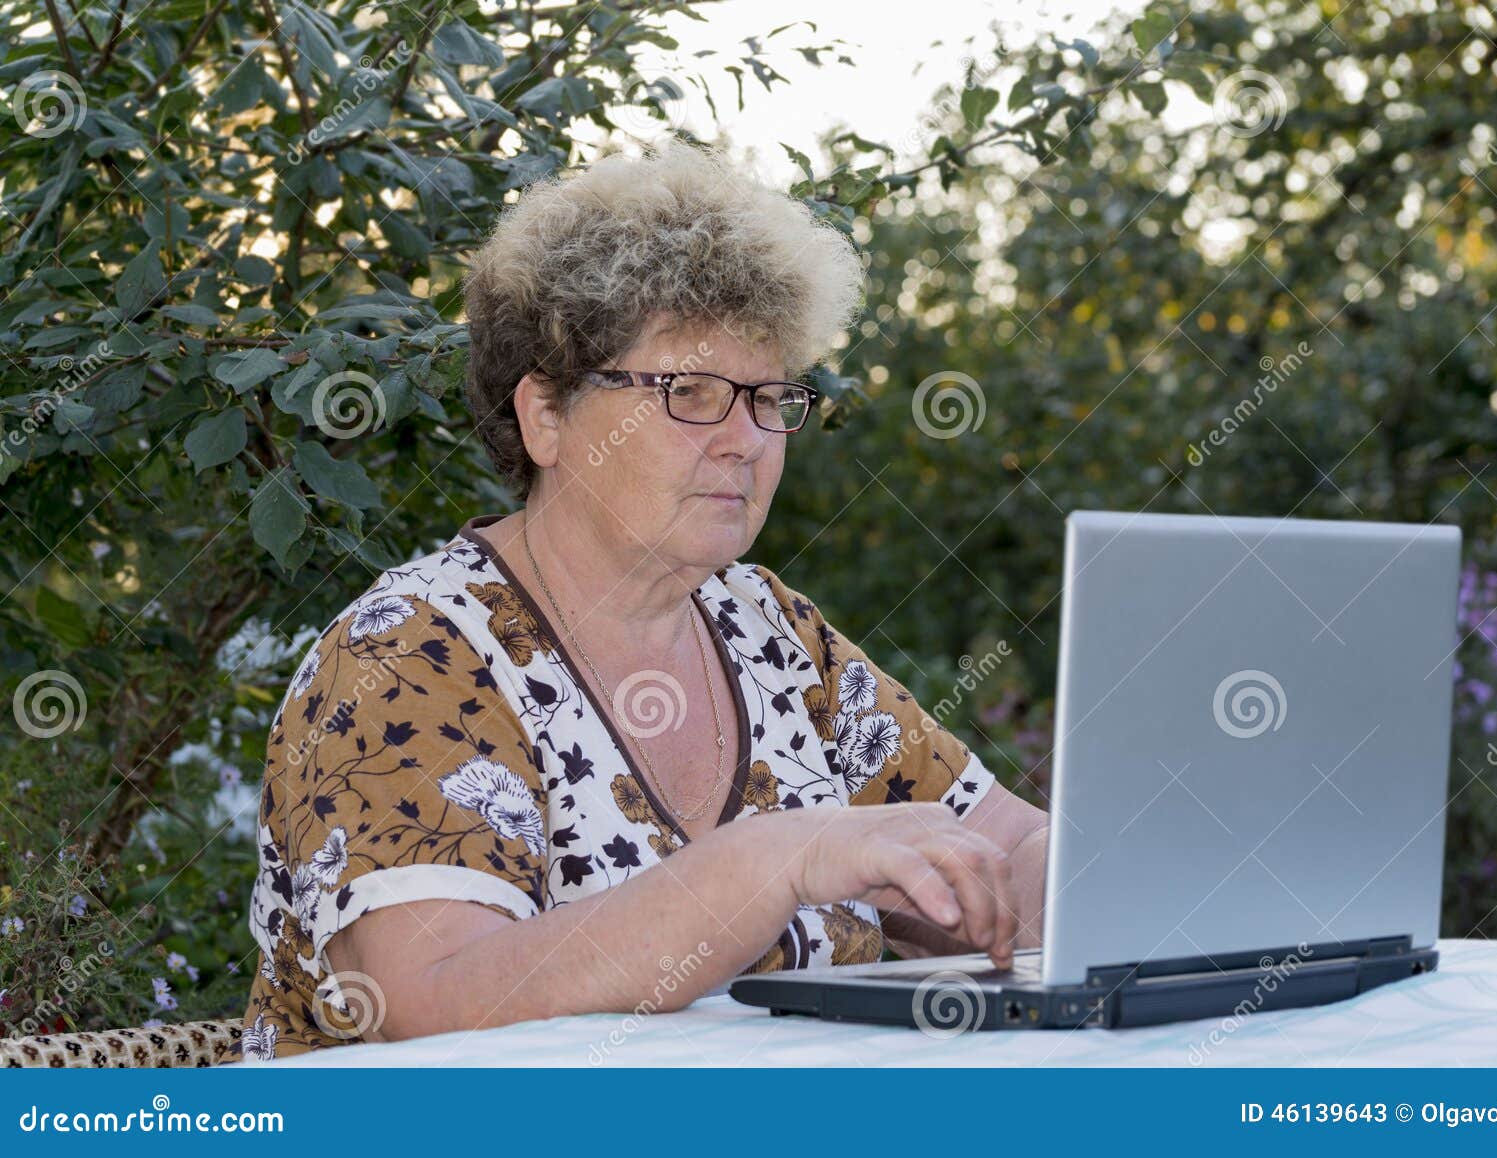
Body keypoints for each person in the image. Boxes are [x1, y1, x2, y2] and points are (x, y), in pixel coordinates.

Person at [234, 139, 1048, 1061]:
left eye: (770, 397)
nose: (747, 440)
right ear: (545, 416)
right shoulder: (409, 652)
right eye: (690, 392)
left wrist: (1134, 858)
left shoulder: (771, 633)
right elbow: (428, 1000)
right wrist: (778, 858)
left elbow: (1004, 855)